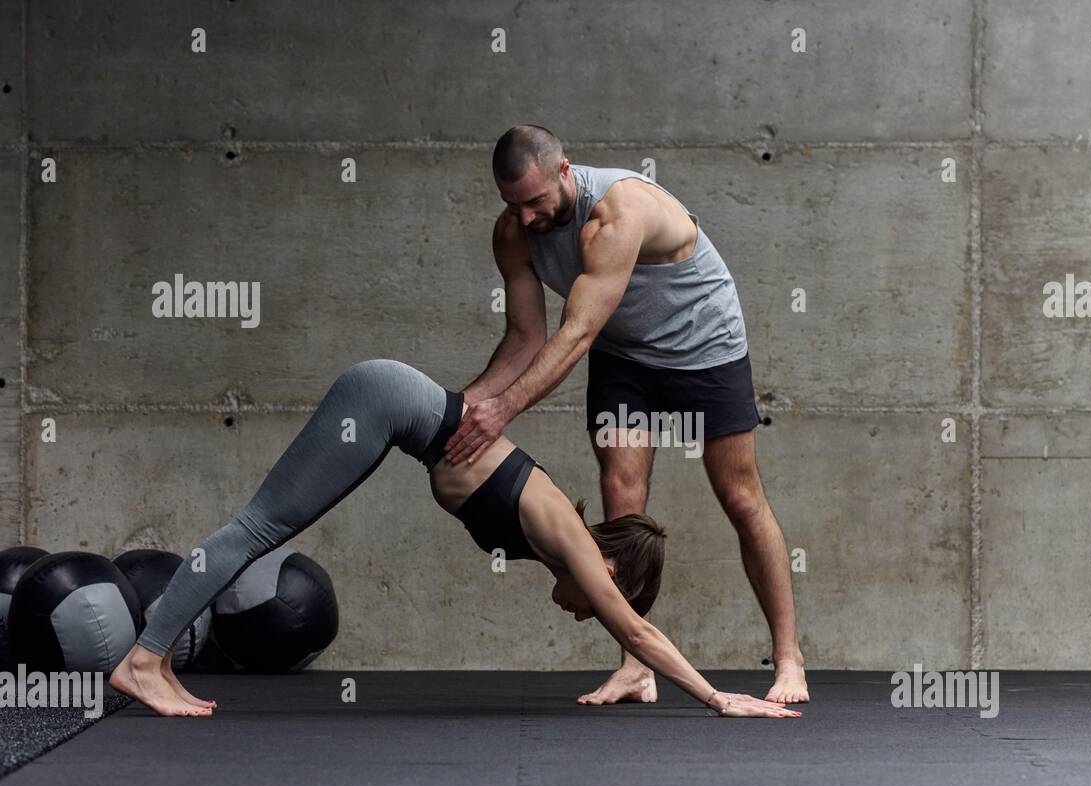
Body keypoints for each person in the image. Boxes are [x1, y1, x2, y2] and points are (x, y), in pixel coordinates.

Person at [108, 359, 801, 720]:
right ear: (611, 573)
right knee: (260, 526)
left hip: (393, 412)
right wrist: (717, 697)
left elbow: (630, 632)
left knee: (261, 527)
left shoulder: (562, 540)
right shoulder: (577, 544)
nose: (583, 613)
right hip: (382, 401)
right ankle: (143, 660)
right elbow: (641, 635)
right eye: (598, 606)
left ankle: (158, 658)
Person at [443, 124, 808, 705]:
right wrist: (468, 405)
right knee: (620, 488)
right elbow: (524, 336)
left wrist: (505, 411)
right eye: (514, 204)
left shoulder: (618, 210)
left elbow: (578, 331)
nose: (528, 218)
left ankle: (789, 658)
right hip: (625, 357)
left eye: (537, 201)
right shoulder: (514, 230)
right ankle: (636, 665)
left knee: (740, 497)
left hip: (703, 348)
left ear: (565, 171)